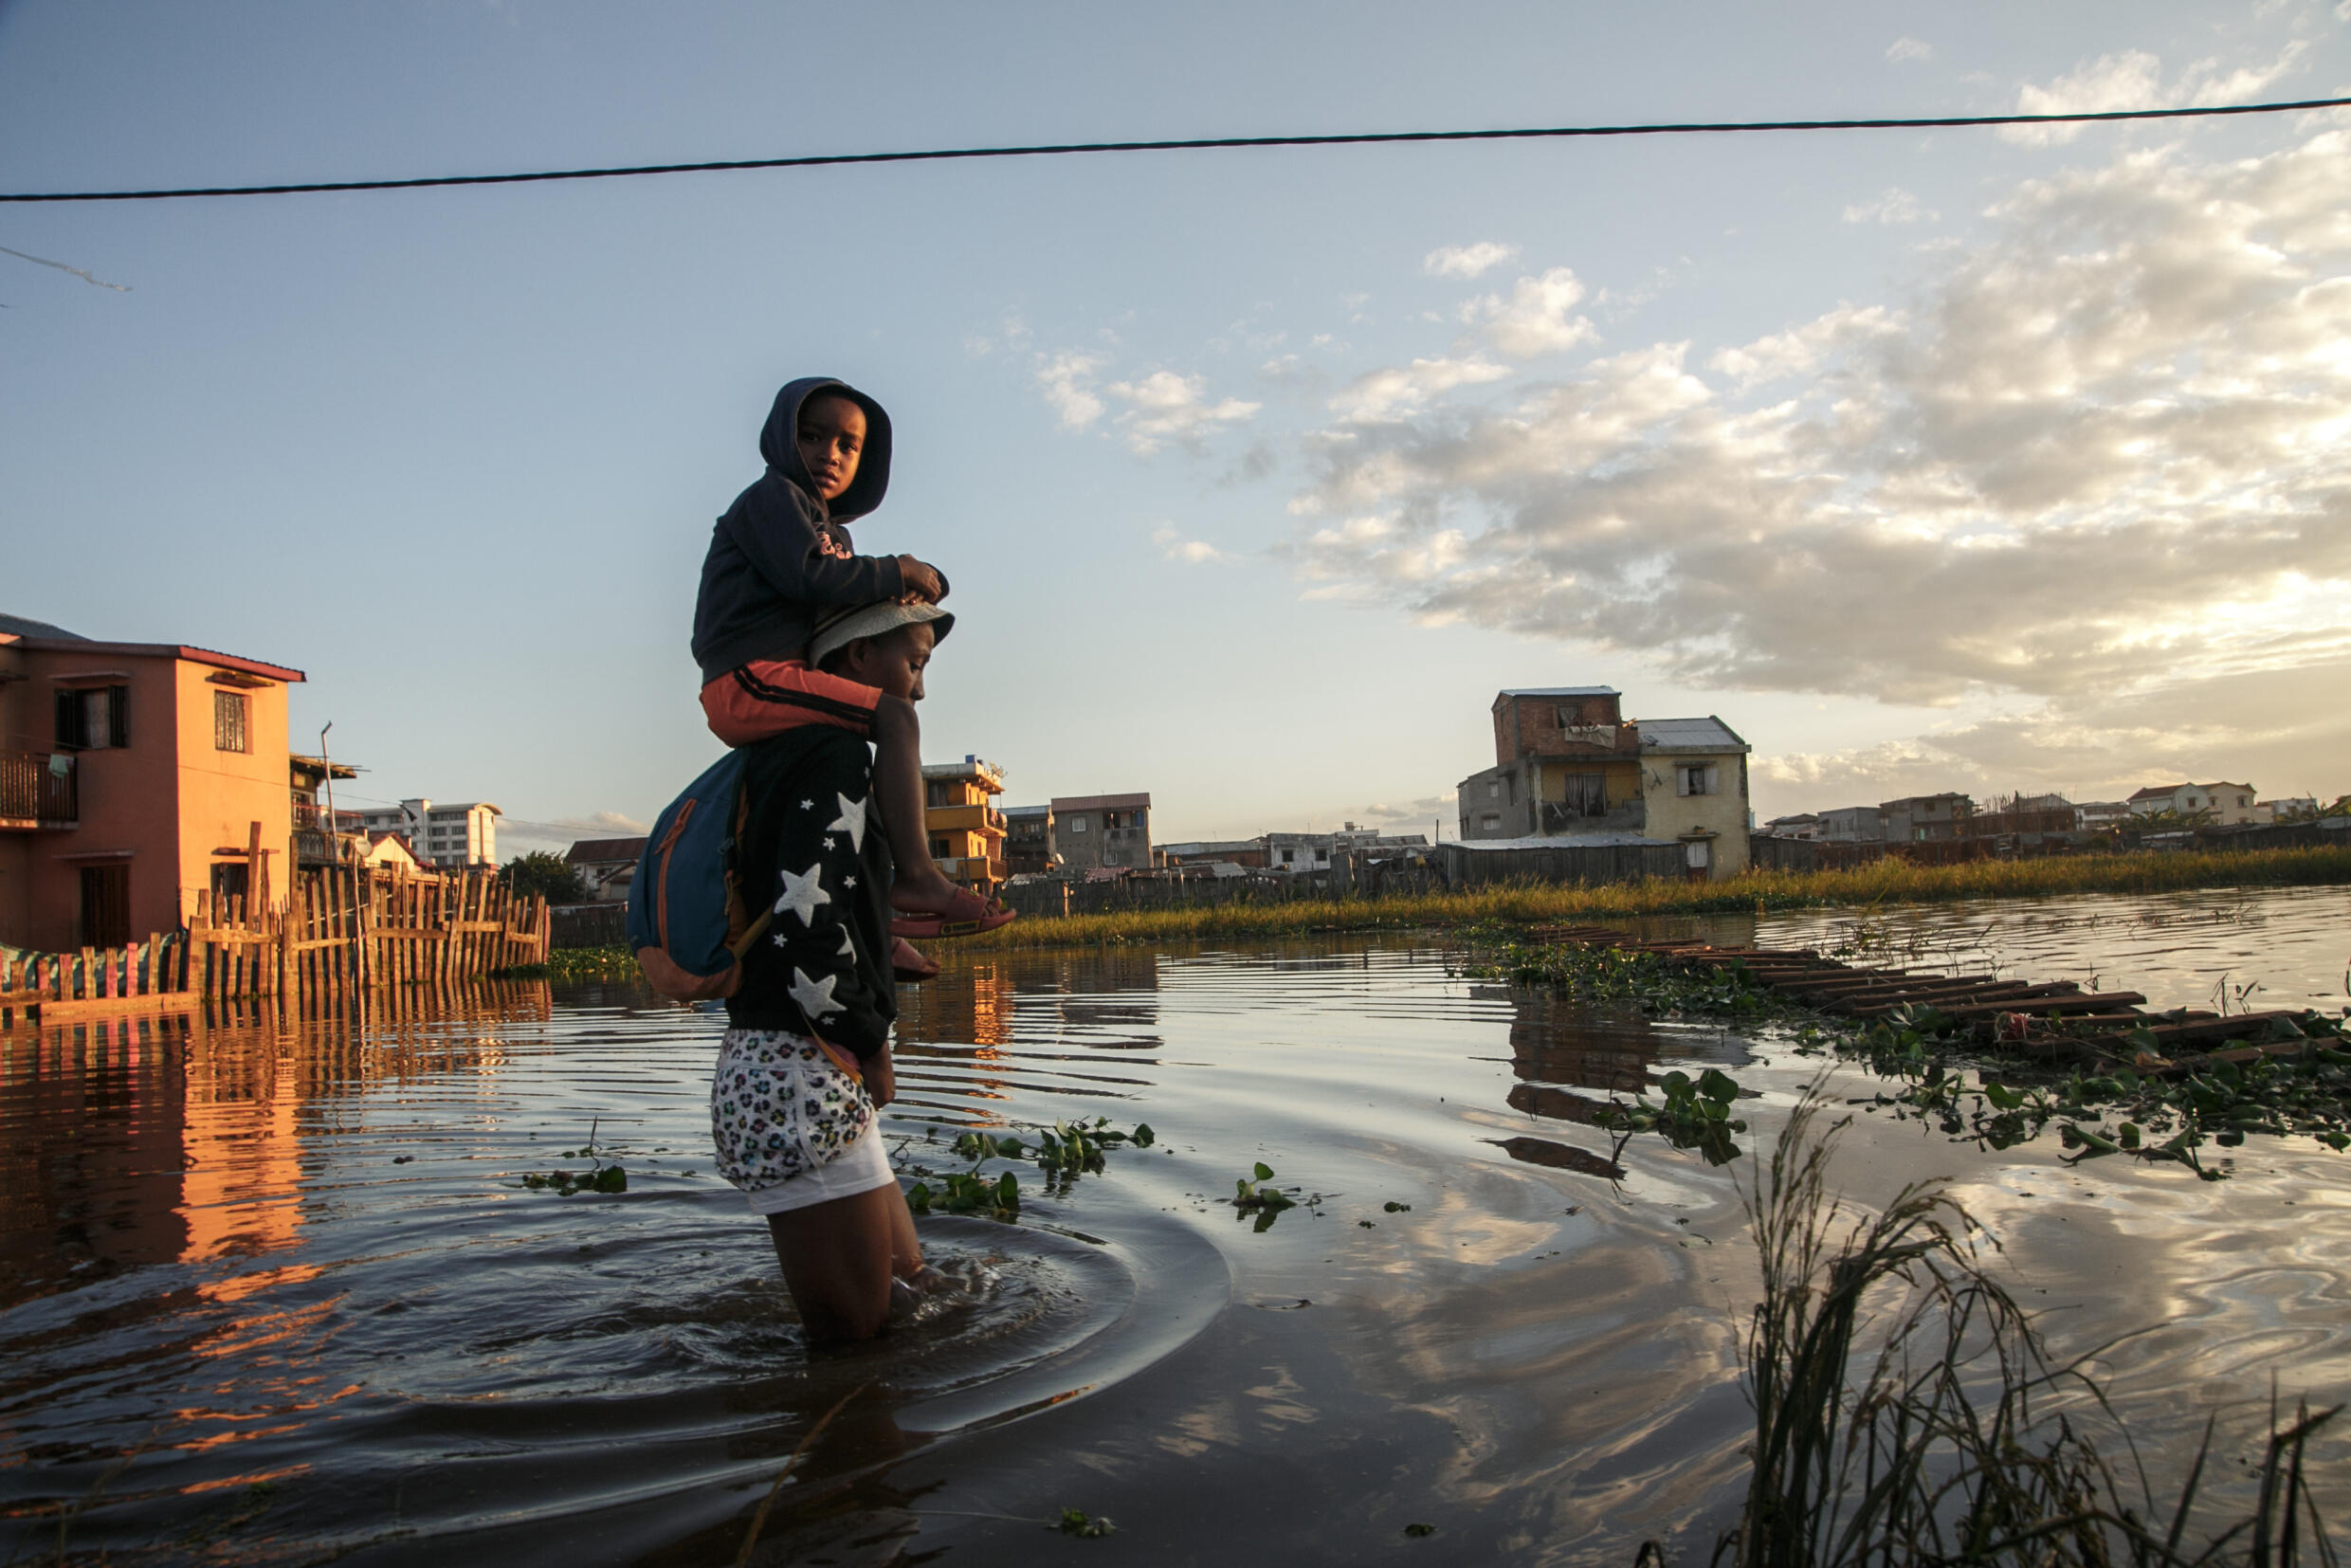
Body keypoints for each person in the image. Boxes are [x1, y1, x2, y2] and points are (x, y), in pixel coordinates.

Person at [712, 597, 960, 1340]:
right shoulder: (831, 750)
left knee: (914, 1290)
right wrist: (872, 1044)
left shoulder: (790, 752)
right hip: (799, 1076)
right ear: (856, 657)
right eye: (913, 663)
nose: (917, 689)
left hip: (802, 1072)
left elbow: (830, 909)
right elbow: (808, 931)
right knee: (857, 1346)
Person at [692, 376, 1010, 940]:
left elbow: (838, 608)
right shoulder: (773, 499)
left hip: (783, 677)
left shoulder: (830, 530)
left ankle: (872, 923)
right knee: (895, 716)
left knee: (861, 776)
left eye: (847, 445)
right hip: (746, 679)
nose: (828, 454)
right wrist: (897, 569)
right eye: (812, 437)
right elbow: (810, 576)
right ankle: (917, 876)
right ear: (783, 438)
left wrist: (899, 591)